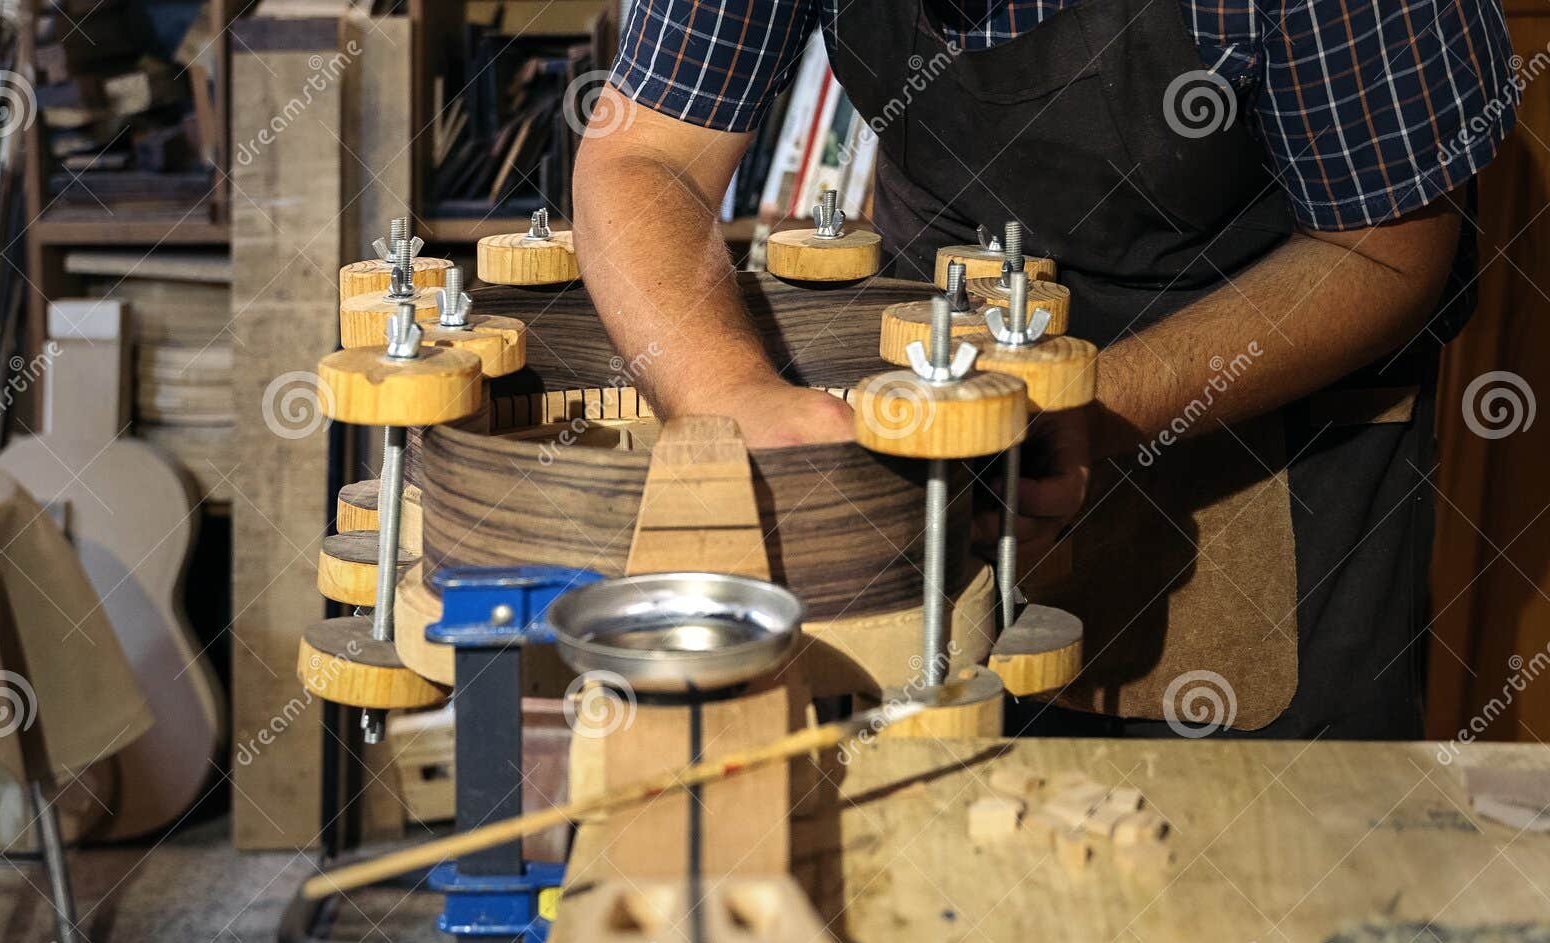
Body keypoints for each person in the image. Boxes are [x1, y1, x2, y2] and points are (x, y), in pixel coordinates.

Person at [571, 0, 1517, 739]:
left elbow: (1384, 251)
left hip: (1269, 422)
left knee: (1258, 904)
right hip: (944, 408)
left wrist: (1096, 406)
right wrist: (736, 401)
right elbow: (648, 155)